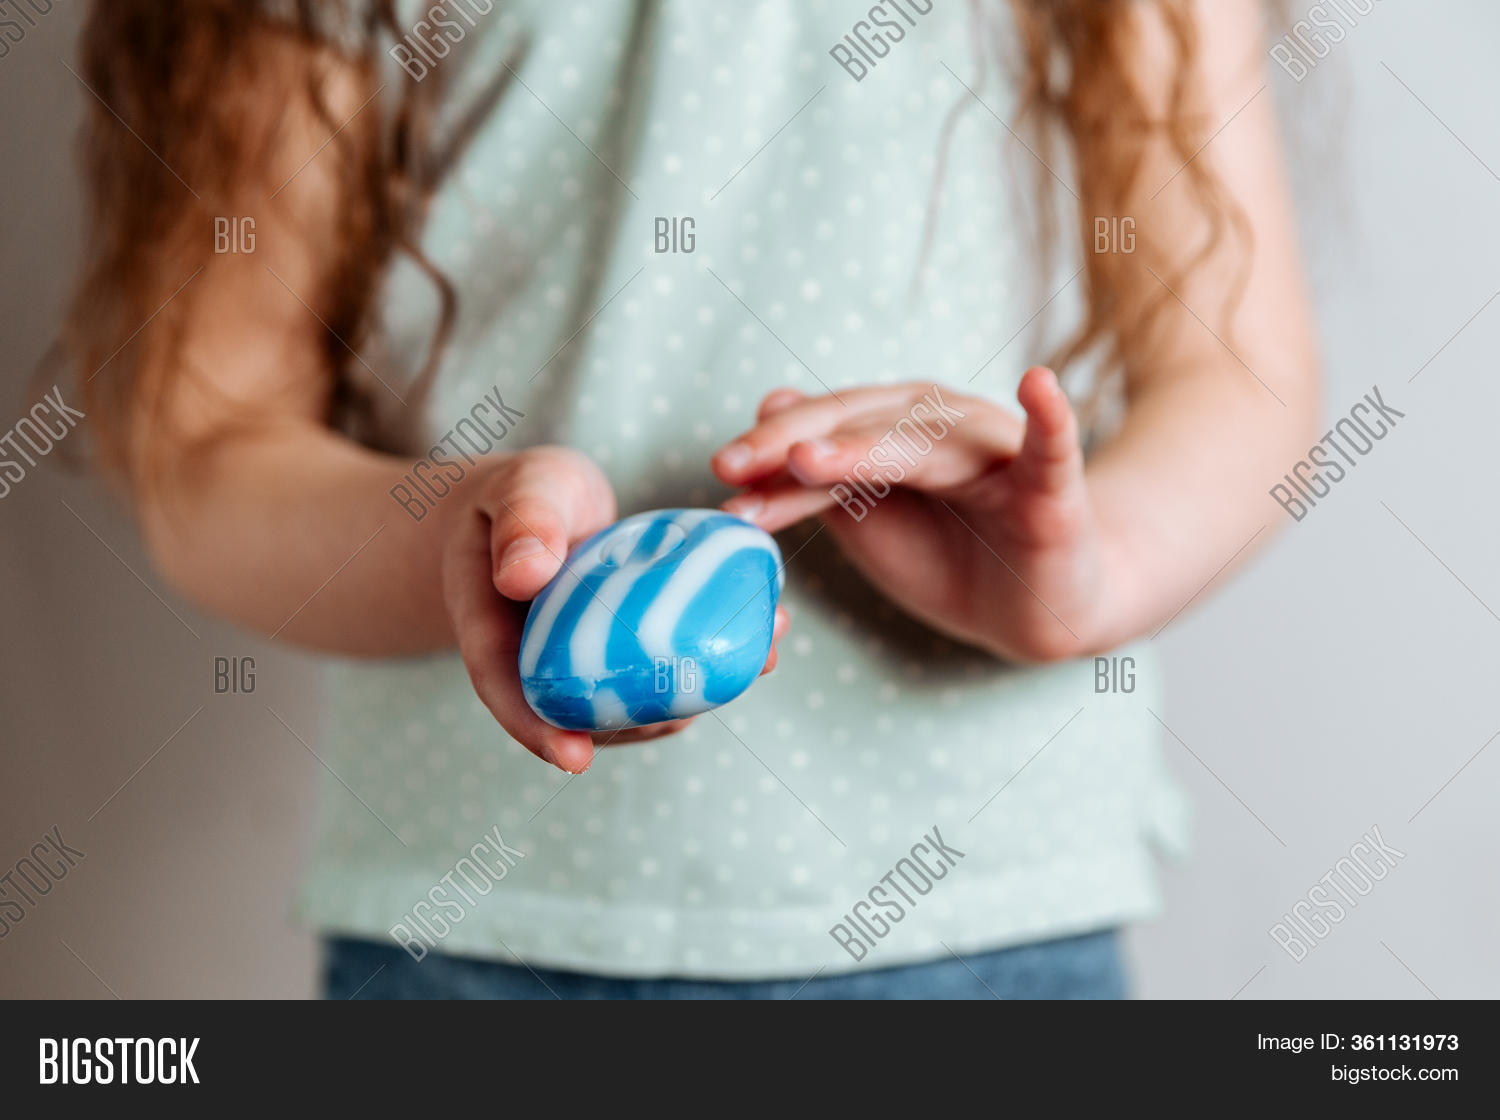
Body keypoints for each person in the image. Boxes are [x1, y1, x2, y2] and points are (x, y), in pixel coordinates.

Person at [64, 0, 1317, 999]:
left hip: (990, 916)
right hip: (477, 929)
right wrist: (461, 535)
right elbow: (208, 444)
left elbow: (1239, 381)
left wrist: (1083, 581)